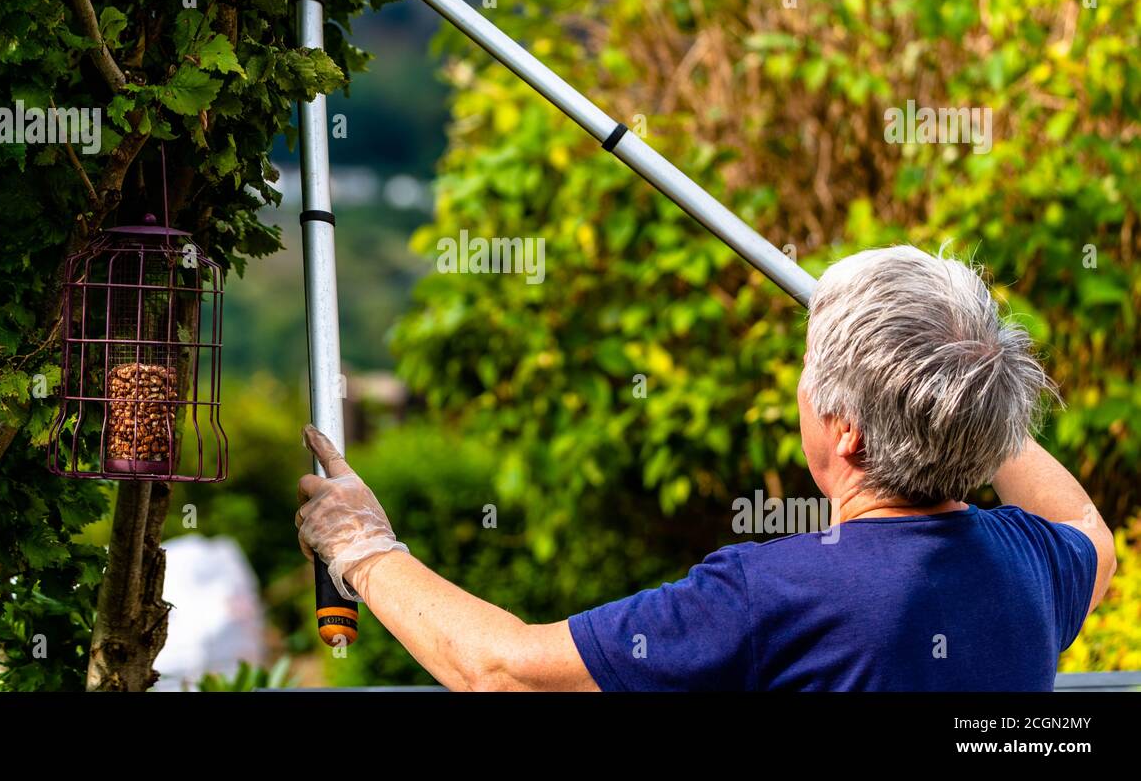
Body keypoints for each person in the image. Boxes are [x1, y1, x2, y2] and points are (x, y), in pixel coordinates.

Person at [295, 246, 1116, 690]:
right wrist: (958, 382)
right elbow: (1087, 531)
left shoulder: (772, 593)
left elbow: (504, 670)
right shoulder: (1032, 563)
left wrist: (365, 549)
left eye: (806, 374)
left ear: (845, 434)